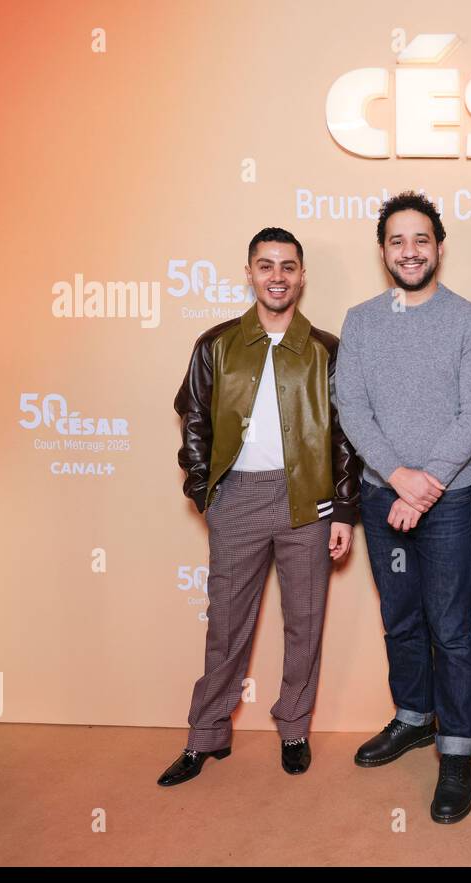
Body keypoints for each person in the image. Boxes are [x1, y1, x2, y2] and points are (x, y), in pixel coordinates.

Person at [158, 227, 361, 787]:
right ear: (249, 272)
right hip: (238, 498)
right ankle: (206, 735)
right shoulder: (216, 344)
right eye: (266, 265)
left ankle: (294, 726)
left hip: (310, 501)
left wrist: (343, 510)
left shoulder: (327, 349)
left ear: (301, 276)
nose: (277, 276)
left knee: (306, 622)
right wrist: (205, 493)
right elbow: (193, 419)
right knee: (225, 625)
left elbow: (345, 435)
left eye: (288, 266)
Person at [335, 192, 471, 824]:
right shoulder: (361, 321)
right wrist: (398, 481)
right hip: (382, 499)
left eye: (421, 239)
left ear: (438, 246)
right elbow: (353, 409)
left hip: (448, 504)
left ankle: (456, 751)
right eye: (398, 241)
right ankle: (412, 717)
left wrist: (424, 486)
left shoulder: (468, 321)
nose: (410, 251)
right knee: (401, 619)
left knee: (452, 631)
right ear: (383, 251)